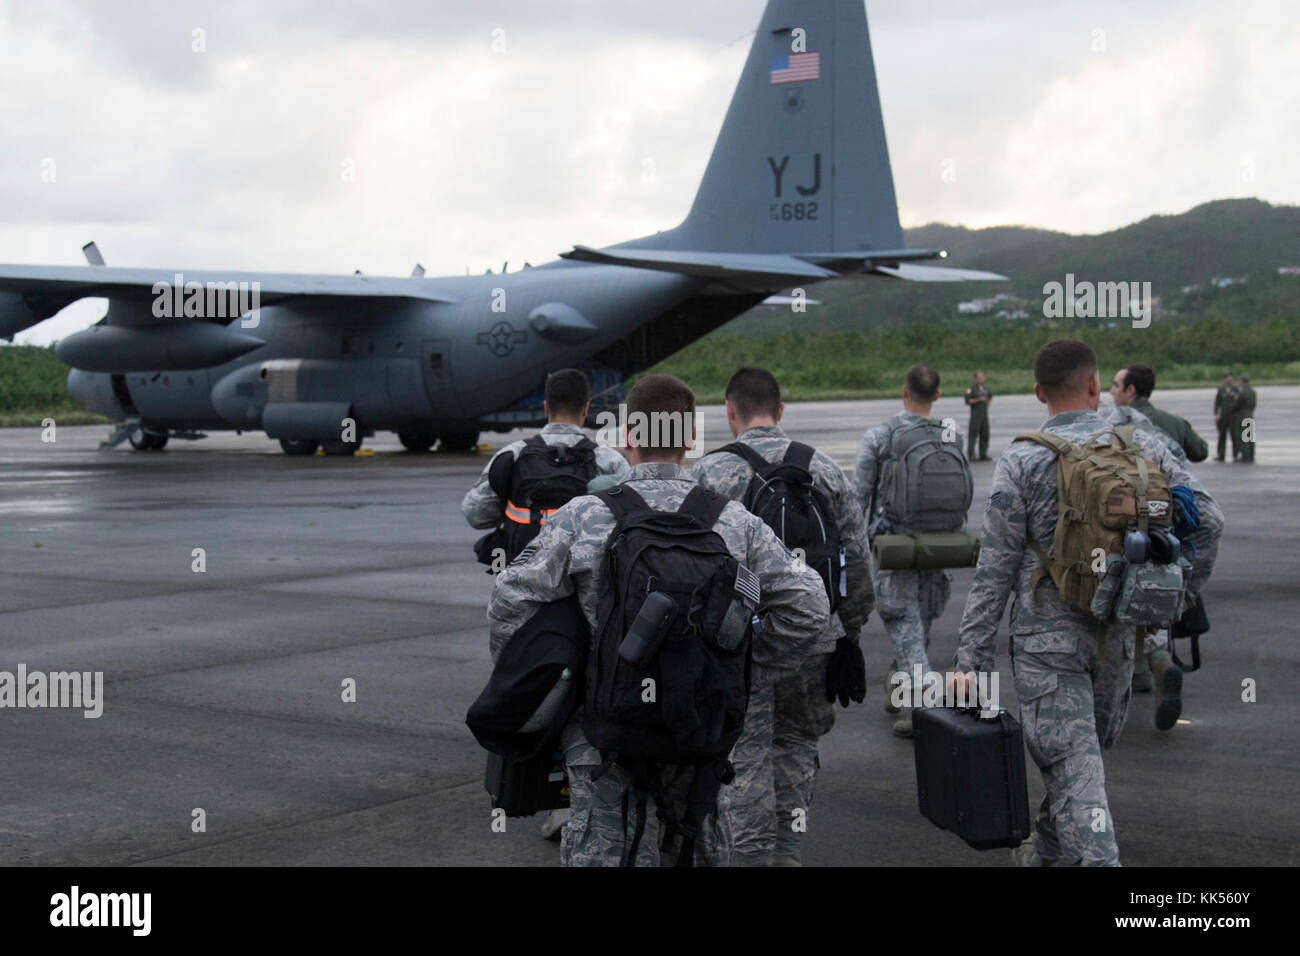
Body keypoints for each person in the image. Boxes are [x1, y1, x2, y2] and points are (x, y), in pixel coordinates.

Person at [486, 374, 830, 866]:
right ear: (691, 437)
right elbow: (810, 609)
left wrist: (563, 683)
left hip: (603, 740)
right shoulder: (734, 522)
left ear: (628, 435)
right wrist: (740, 668)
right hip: (700, 737)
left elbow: (507, 601)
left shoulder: (584, 516)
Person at [955, 340, 1223, 866]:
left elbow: (996, 567)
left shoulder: (1024, 457)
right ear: (1096, 386)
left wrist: (972, 658)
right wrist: (1175, 597)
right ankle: (1042, 856)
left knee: (1075, 770)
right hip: (1120, 634)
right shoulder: (1145, 447)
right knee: (1081, 764)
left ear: (1039, 393)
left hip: (1046, 646)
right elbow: (1210, 522)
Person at [690, 366, 873, 867]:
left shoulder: (708, 474)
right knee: (796, 743)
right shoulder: (825, 469)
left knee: (744, 752)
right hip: (813, 635)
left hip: (738, 643)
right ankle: (787, 851)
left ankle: (748, 856)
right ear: (781, 409)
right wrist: (848, 634)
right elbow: (857, 563)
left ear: (730, 410)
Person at [461, 368, 628, 841]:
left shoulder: (512, 456)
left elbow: (475, 513)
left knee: (538, 696)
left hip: (531, 604)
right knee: (588, 698)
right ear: (587, 405)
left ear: (544, 407)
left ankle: (531, 786)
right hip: (589, 601)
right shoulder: (608, 459)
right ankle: (576, 803)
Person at [852, 364, 966, 738]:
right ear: (937, 394)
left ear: (905, 391)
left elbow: (858, 497)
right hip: (941, 546)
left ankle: (919, 705)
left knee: (906, 624)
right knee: (919, 624)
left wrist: (856, 551)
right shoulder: (952, 435)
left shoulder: (881, 435)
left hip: (896, 546)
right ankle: (900, 688)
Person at [1109, 363, 1209, 462]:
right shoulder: (1177, 423)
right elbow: (1200, 452)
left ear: (1130, 390)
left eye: (1116, 386)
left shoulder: (1113, 426)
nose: (1111, 391)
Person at [964, 370, 993, 461]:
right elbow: (968, 401)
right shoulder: (971, 389)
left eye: (982, 377)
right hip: (975, 416)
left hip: (984, 415)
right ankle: (971, 454)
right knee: (973, 435)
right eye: (979, 377)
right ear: (975, 379)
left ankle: (983, 454)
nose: (981, 379)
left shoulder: (985, 388)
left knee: (985, 434)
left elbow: (990, 396)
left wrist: (987, 404)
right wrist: (979, 399)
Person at [1213, 373, 1239, 462]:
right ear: (1225, 380)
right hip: (1223, 416)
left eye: (1231, 379)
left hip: (1233, 416)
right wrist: (1216, 414)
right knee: (1221, 436)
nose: (1229, 381)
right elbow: (1217, 403)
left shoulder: (1235, 390)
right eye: (1228, 379)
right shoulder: (1221, 390)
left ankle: (1235, 455)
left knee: (1234, 436)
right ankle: (1221, 455)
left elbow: (1238, 401)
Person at [1235, 374, 1257, 463]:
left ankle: (1245, 456)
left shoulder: (1242, 393)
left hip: (1243, 416)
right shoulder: (1253, 392)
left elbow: (1237, 405)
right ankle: (1252, 455)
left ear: (1243, 382)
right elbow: (1254, 404)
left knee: (1244, 437)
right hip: (1251, 415)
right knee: (1251, 437)